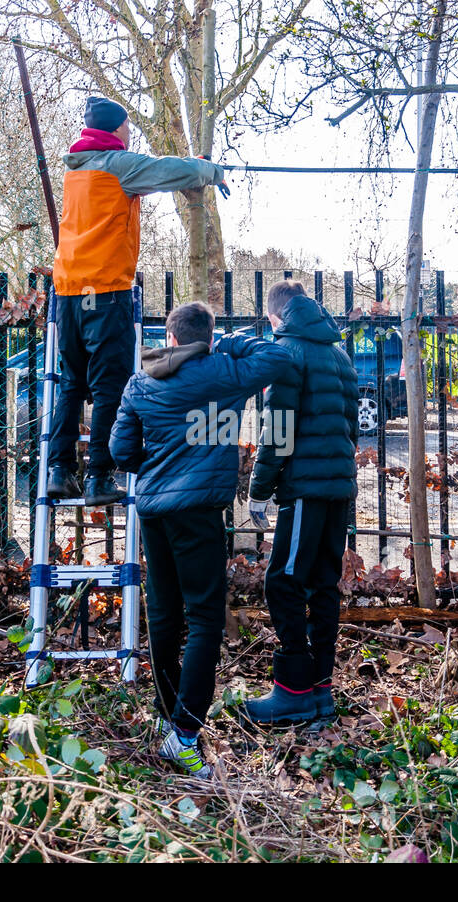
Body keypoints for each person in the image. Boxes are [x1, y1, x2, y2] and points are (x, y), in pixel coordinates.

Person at [110, 301, 292, 778]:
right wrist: (231, 342)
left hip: (153, 512)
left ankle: (169, 719)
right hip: (200, 513)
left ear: (170, 338)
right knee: (206, 618)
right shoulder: (222, 371)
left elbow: (120, 450)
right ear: (205, 339)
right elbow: (278, 359)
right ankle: (186, 734)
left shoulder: (140, 380)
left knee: (165, 614)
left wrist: (155, 465)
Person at [48, 96, 229, 506]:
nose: (130, 134)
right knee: (110, 385)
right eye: (127, 127)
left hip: (69, 292)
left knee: (72, 384)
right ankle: (98, 476)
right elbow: (168, 170)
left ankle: (59, 470)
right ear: (116, 130)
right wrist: (209, 170)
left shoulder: (75, 168)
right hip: (104, 290)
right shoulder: (117, 165)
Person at [242, 280, 358, 725]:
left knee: (283, 583)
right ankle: (320, 689)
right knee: (323, 584)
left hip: (305, 489)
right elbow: (348, 427)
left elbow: (278, 429)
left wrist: (260, 488)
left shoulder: (288, 352)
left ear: (274, 317)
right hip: (337, 489)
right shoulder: (339, 352)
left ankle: (292, 690)